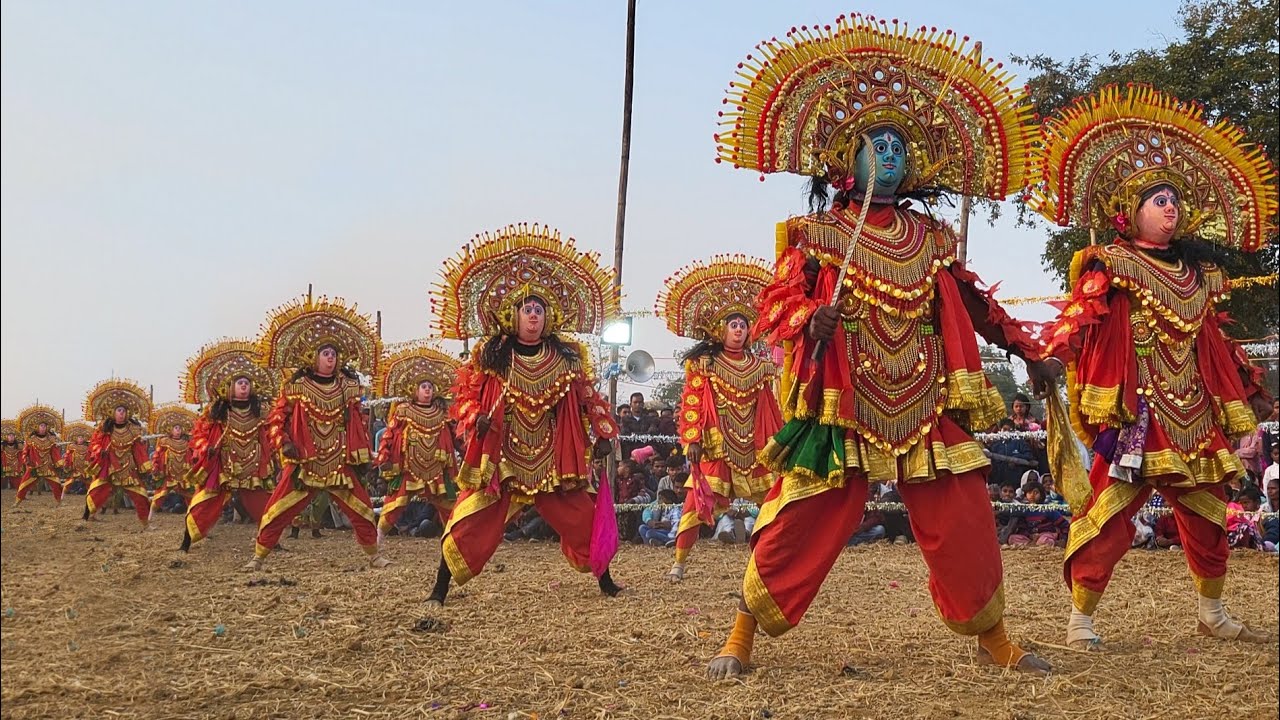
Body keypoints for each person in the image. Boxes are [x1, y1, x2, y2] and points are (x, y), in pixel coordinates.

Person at [707, 15, 1055, 679]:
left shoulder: (931, 239)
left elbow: (979, 307)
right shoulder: (818, 235)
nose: (890, 154)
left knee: (967, 520)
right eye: (877, 144)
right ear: (847, 160)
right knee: (801, 516)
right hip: (845, 396)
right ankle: (740, 635)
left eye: (899, 145)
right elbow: (774, 303)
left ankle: (995, 638)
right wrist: (810, 318)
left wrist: (1030, 352)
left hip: (926, 393)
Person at [1035, 85, 1275, 648]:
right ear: (1132, 211)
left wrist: (1248, 387)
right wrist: (1050, 354)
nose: (1170, 207)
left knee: (1212, 514)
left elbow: (1214, 343)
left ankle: (1211, 614)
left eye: (1174, 200)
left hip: (1194, 412)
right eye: (1158, 199)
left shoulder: (1198, 276)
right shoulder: (1113, 265)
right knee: (1110, 517)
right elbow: (1079, 317)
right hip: (1138, 412)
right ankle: (1081, 621)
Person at [426, 223, 623, 604]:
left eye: (539, 310)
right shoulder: (492, 355)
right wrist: (475, 419)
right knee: (469, 521)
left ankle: (606, 582)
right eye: (527, 309)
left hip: (552, 456)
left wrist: (601, 435)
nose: (533, 315)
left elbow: (588, 399)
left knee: (584, 519)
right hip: (505, 457)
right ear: (511, 315)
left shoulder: (566, 357)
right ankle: (438, 589)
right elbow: (467, 398)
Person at [655, 254, 782, 581]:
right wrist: (692, 440)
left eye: (743, 325)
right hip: (717, 446)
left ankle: (766, 565)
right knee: (695, 506)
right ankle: (679, 563)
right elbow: (692, 402)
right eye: (733, 325)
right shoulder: (704, 365)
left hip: (754, 447)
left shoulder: (761, 367)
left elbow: (771, 403)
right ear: (720, 330)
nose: (738, 330)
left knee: (773, 504)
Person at [244, 295, 390, 570]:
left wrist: (360, 452)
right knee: (277, 510)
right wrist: (284, 443)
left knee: (362, 510)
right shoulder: (296, 388)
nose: (331, 358)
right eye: (326, 354)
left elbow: (357, 421)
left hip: (337, 461)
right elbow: (276, 420)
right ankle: (258, 557)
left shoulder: (346, 387)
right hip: (305, 462)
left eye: (334, 354)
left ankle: (374, 556)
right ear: (314, 358)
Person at [178, 339, 279, 551]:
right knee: (205, 505)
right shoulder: (216, 413)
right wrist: (206, 448)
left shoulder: (261, 412)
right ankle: (186, 541)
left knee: (264, 506)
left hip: (252, 466)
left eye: (247, 383)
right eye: (239, 383)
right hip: (224, 466)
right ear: (229, 388)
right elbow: (199, 436)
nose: (244, 386)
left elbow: (271, 434)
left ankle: (272, 541)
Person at [374, 342, 460, 542]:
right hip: (409, 467)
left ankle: (457, 538)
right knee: (396, 503)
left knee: (448, 505)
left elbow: (454, 436)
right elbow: (390, 434)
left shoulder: (442, 413)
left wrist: (467, 450)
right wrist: (385, 456)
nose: (427, 390)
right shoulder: (403, 410)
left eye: (430, 387)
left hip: (436, 469)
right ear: (414, 389)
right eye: (423, 387)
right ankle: (377, 536)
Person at [81, 379, 154, 526]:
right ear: (112, 412)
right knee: (97, 491)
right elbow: (94, 444)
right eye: (119, 411)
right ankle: (87, 516)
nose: (122, 413)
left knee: (140, 494)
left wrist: (144, 466)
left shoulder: (133, 429)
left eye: (124, 411)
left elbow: (138, 450)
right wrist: (99, 451)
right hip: (110, 467)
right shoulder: (104, 429)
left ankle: (145, 522)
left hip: (128, 468)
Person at [147, 404, 198, 517]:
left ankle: (192, 517)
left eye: (180, 428)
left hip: (183, 475)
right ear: (170, 429)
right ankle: (150, 516)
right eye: (176, 428)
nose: (178, 430)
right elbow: (157, 454)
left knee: (190, 496)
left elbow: (192, 456)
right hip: (169, 475)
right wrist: (156, 465)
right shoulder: (164, 441)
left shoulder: (186, 444)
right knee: (160, 495)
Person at [14, 405, 64, 506]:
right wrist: (26, 460)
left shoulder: (51, 439)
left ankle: (59, 502)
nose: (43, 428)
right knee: (24, 484)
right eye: (41, 426)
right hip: (34, 466)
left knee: (56, 483)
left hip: (47, 466)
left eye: (44, 426)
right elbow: (25, 452)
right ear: (37, 427)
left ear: (47, 427)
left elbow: (54, 452)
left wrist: (58, 463)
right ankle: (17, 502)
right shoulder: (31, 439)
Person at [1007, 482, 1068, 548]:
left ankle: (1049, 544)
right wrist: (1030, 536)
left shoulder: (1047, 509)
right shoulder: (1024, 510)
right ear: (1025, 495)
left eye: (1035, 493)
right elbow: (1022, 528)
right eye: (1029, 493)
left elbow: (1064, 524)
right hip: (1031, 538)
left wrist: (1063, 538)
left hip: (1046, 535)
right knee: (1012, 538)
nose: (1032, 495)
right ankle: (1031, 546)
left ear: (1041, 494)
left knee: (1044, 540)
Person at [61, 422, 94, 495]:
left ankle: (91, 491)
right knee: (71, 480)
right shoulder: (72, 446)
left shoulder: (87, 447)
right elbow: (68, 455)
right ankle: (64, 491)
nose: (81, 439)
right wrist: (67, 463)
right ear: (76, 438)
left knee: (87, 480)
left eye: (82, 437)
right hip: (75, 466)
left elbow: (91, 455)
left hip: (84, 467)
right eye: (79, 437)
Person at [1, 420, 23, 491]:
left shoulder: (19, 445)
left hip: (15, 463)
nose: (11, 437)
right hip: (5, 463)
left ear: (15, 437)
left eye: (12, 436)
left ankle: (19, 489)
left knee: (16, 477)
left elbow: (24, 450)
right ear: (6, 437)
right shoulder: (2, 445)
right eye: (9, 436)